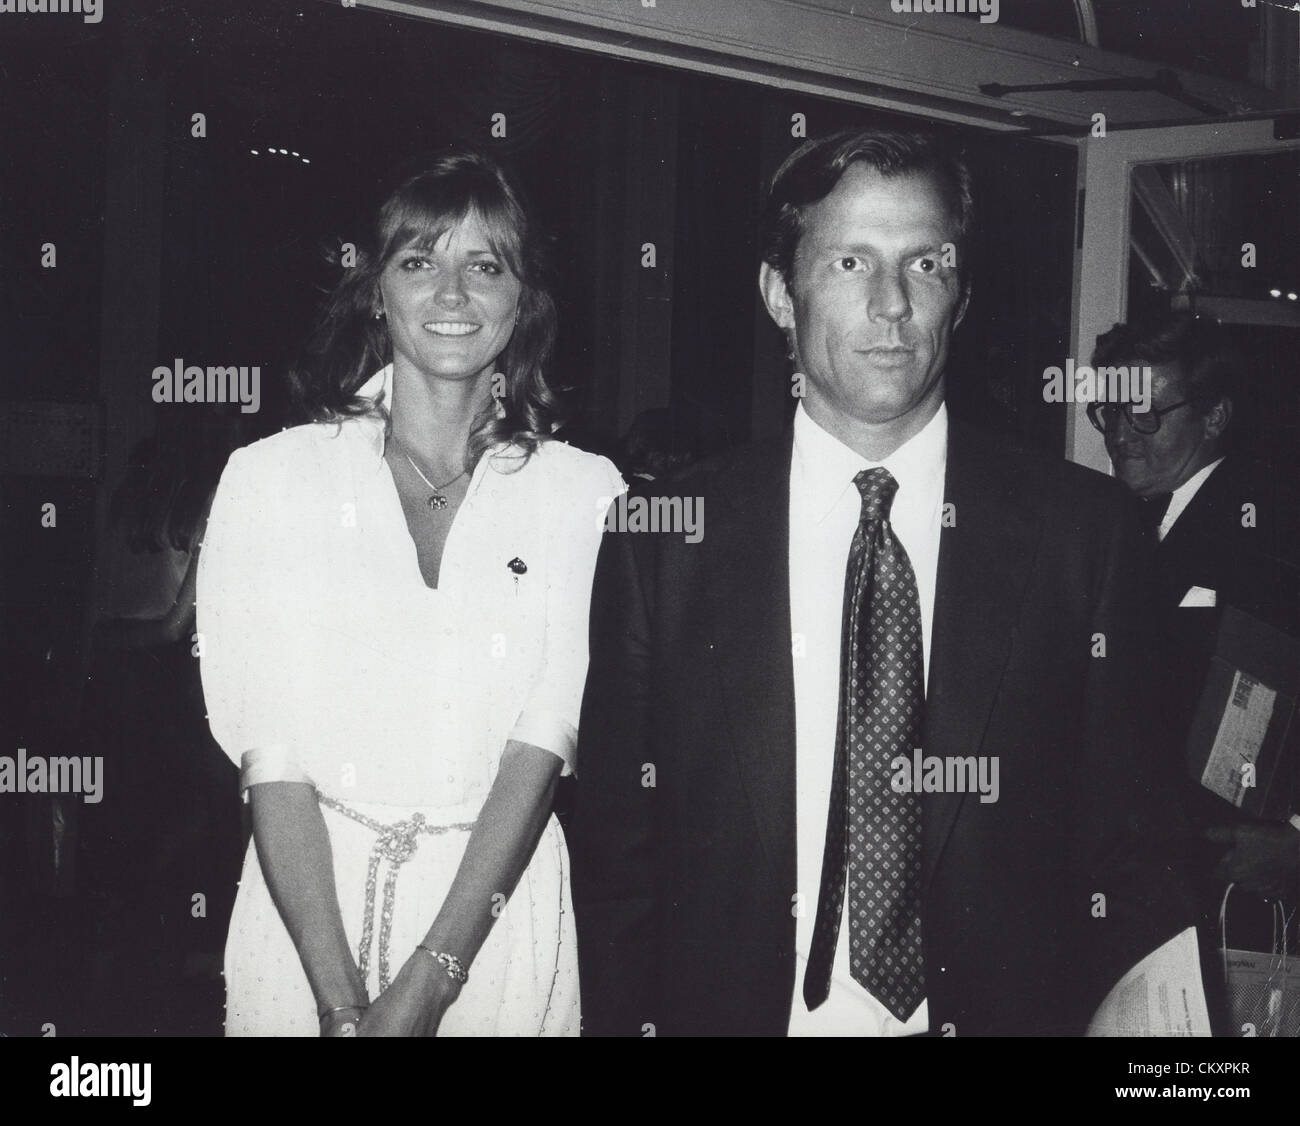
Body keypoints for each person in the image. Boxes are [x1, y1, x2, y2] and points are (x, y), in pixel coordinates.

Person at [571, 128, 1192, 1037]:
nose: (892, 304)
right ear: (780, 293)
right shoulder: (663, 541)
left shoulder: (1083, 536)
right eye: (851, 261)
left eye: (926, 262)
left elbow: (1133, 859)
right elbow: (619, 865)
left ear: (963, 291)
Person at [197, 149, 623, 1036]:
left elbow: (543, 742)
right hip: (304, 918)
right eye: (419, 260)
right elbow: (271, 755)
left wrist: (431, 983)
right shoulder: (271, 478)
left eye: (487, 264)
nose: (453, 293)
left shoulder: (584, 493)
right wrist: (340, 1003)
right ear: (375, 289)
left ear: (523, 299)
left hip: (496, 929)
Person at [1090, 313, 1299, 906]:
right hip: (1145, 870)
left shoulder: (1272, 525)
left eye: (1146, 415)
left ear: (1214, 418)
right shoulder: (1119, 520)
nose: (1121, 435)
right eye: (1110, 411)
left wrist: (1295, 842)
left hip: (1236, 879)